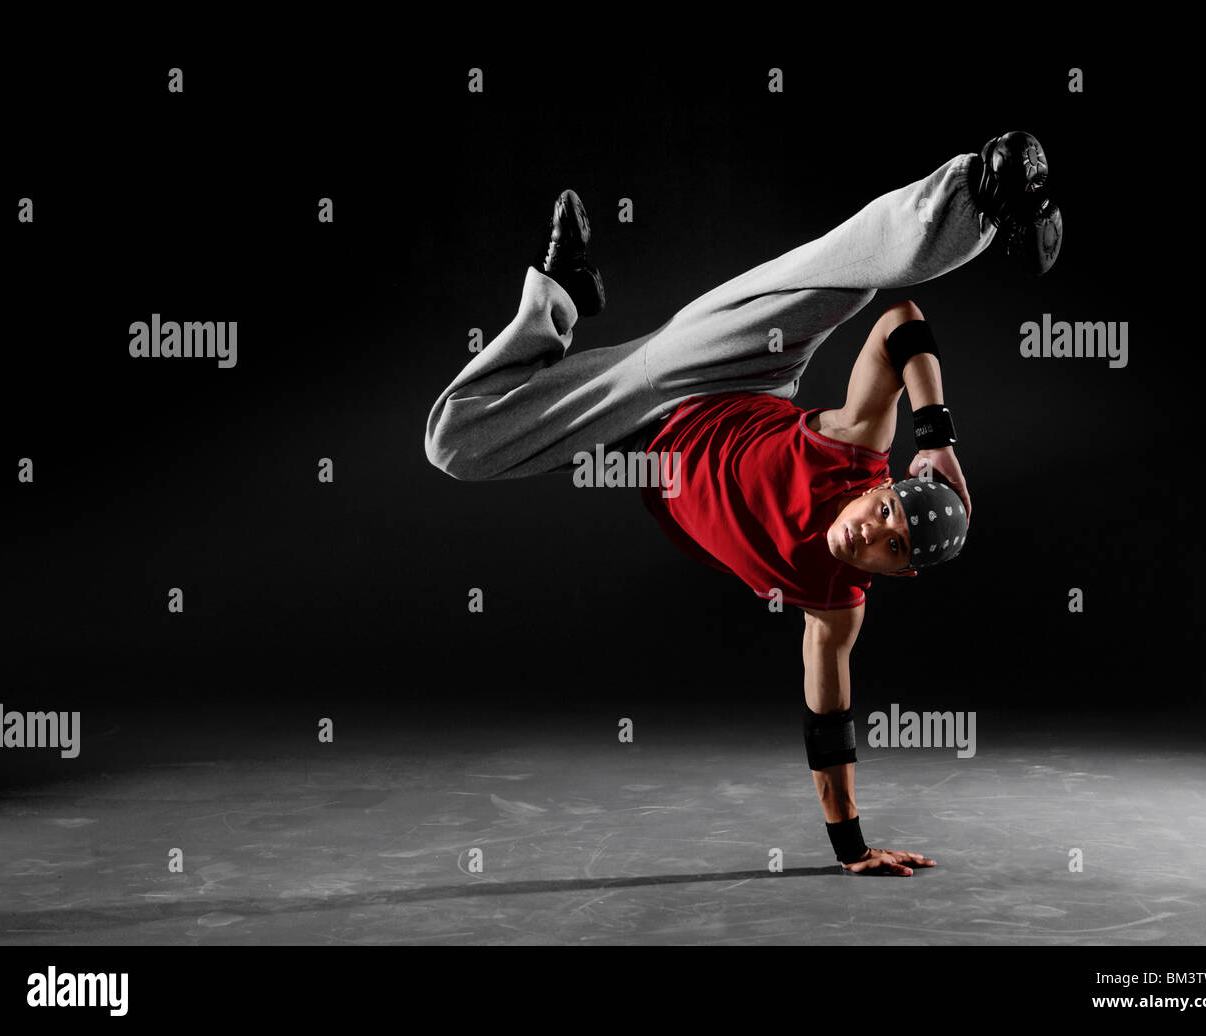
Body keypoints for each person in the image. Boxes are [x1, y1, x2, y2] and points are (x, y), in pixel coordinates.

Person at [425, 131, 1062, 875]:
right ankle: (990, 192)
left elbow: (830, 725)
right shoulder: (856, 450)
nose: (869, 530)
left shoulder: (835, 608)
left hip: (645, 431)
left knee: (456, 442)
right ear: (884, 485)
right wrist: (937, 435)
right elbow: (901, 324)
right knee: (841, 274)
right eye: (886, 509)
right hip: (734, 364)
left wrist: (851, 848)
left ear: (897, 575)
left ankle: (557, 292)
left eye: (890, 546)